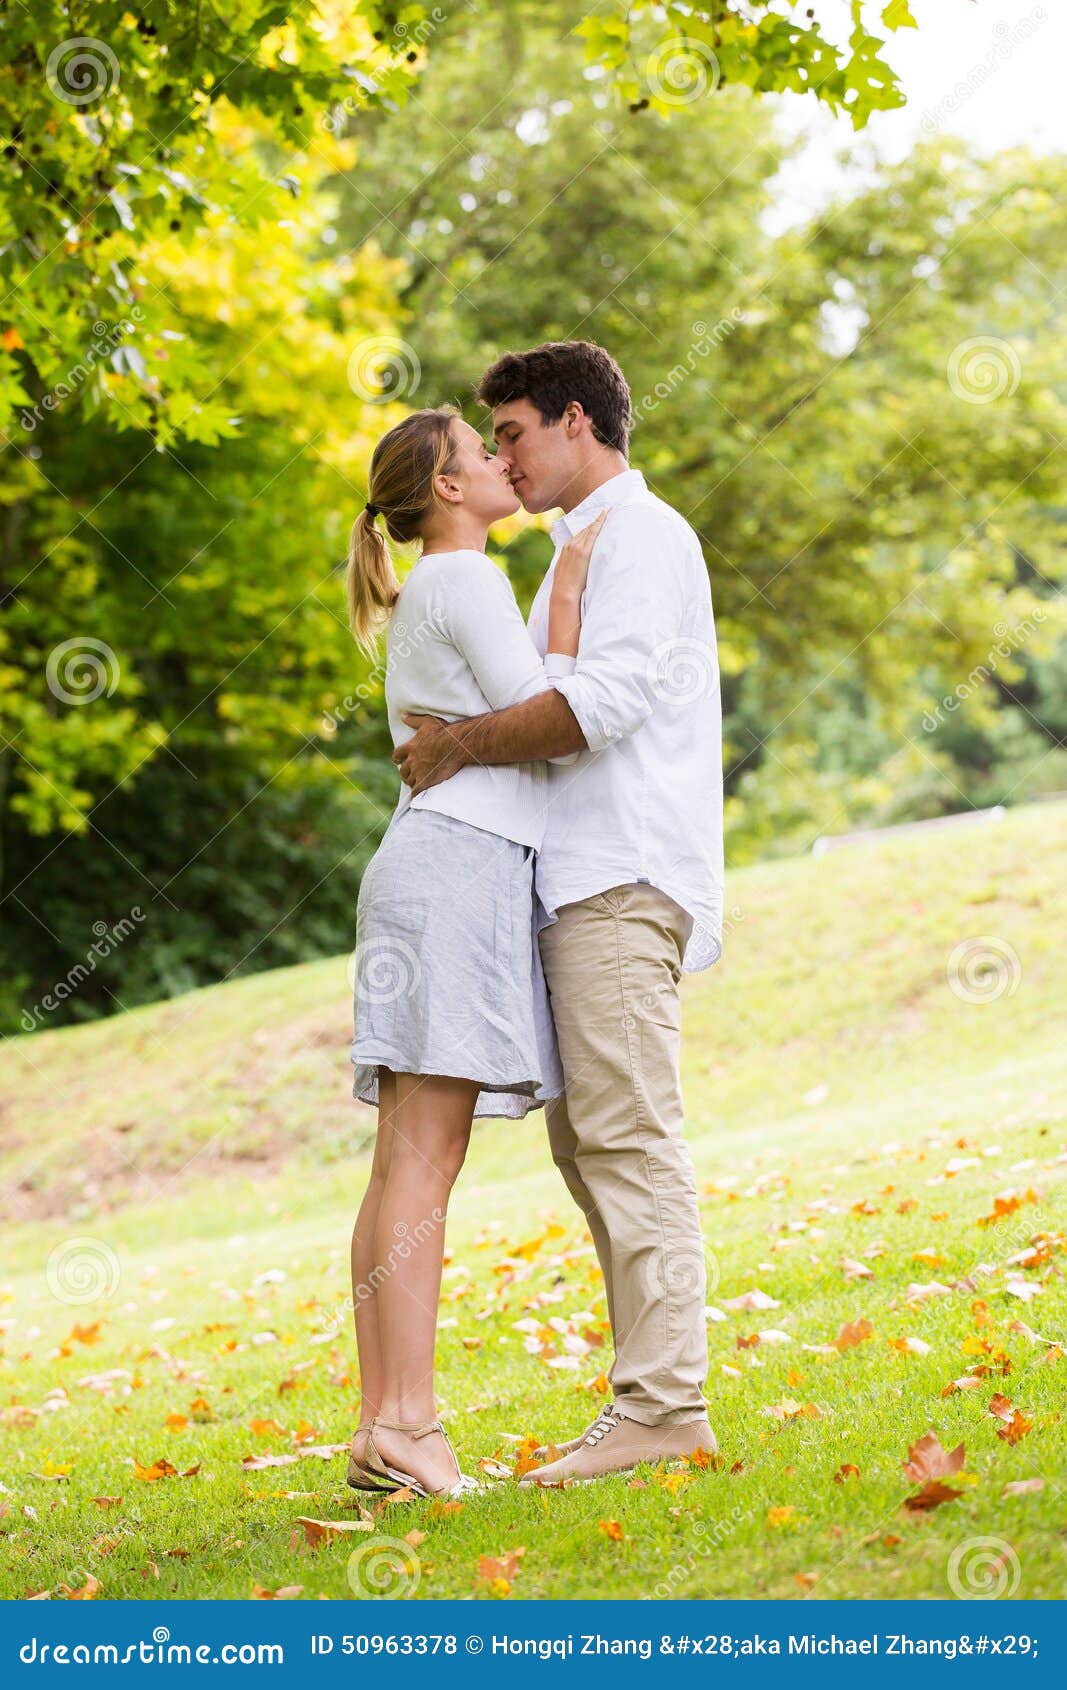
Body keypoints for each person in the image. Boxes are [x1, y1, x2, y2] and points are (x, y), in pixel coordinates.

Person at [393, 342, 724, 1484]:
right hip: (572, 879)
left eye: (515, 433)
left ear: (575, 422)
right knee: (590, 1144)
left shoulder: (640, 535)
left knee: (628, 1137)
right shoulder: (568, 554)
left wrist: (453, 746)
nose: (502, 457)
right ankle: (648, 1399)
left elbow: (599, 704)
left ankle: (664, 1405)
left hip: (620, 875)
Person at [344, 404, 605, 1500]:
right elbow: (541, 707)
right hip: (452, 875)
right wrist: (579, 583)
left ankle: (383, 1424)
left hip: (431, 869)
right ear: (446, 489)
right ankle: (405, 1423)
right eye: (481, 452)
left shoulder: (431, 590)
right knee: (421, 1159)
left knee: (403, 1155)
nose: (503, 462)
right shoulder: (461, 579)